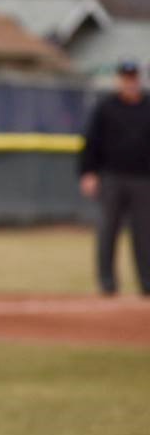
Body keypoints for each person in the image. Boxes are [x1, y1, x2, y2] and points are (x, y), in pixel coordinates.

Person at [78, 59, 150, 295]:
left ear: (139, 79)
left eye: (133, 78)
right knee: (108, 230)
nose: (130, 82)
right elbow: (91, 142)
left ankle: (147, 284)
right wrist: (88, 172)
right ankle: (107, 284)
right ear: (119, 80)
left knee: (144, 234)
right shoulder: (106, 107)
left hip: (144, 179)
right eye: (125, 78)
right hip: (111, 178)